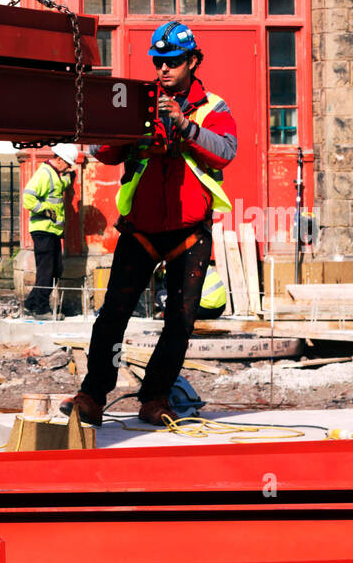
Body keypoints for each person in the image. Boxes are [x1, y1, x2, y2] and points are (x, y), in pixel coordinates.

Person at [61, 21, 237, 426]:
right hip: (141, 231)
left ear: (193, 61)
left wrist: (186, 126)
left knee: (179, 321)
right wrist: (117, 131)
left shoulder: (214, 107)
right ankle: (92, 395)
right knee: (113, 316)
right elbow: (103, 152)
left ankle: (156, 398)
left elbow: (226, 151)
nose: (163, 69)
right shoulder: (137, 100)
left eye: (173, 62)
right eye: (158, 62)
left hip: (188, 233)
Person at [21, 143, 78, 316]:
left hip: (50, 230)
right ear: (59, 160)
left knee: (54, 270)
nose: (68, 167)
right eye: (67, 164)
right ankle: (41, 308)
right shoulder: (44, 174)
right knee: (47, 270)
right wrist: (45, 210)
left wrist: (71, 176)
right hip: (43, 229)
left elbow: (59, 187)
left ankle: (31, 303)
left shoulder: (53, 174)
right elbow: (27, 197)